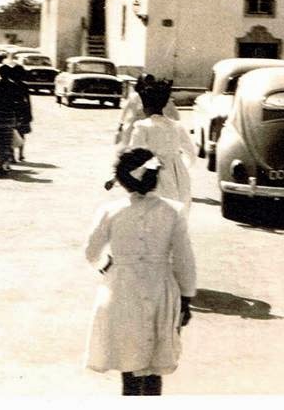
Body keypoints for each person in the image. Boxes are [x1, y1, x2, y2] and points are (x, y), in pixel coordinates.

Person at [85, 147, 196, 396]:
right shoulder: (174, 211)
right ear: (156, 177)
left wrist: (106, 264)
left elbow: (91, 252)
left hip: (122, 290)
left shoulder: (110, 211)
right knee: (155, 362)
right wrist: (186, 297)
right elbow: (184, 258)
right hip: (161, 288)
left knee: (129, 360)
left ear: (122, 181)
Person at [128, 80, 196, 213]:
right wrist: (181, 166)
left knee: (153, 213)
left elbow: (133, 155)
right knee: (177, 210)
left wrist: (120, 177)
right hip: (178, 176)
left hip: (153, 174)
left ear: (145, 106)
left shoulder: (142, 127)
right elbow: (191, 153)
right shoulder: (177, 126)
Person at [116, 74, 180, 147]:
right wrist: (120, 126)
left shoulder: (158, 97)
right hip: (133, 127)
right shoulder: (134, 97)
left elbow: (174, 113)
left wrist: (175, 124)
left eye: (150, 82)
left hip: (151, 126)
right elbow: (125, 112)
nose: (147, 85)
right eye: (146, 82)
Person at [9, 64, 34, 162]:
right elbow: (28, 101)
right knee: (22, 133)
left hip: (13, 110)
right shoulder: (24, 85)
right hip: (22, 111)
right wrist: (29, 113)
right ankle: (20, 154)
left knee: (11, 133)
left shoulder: (10, 85)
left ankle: (12, 155)